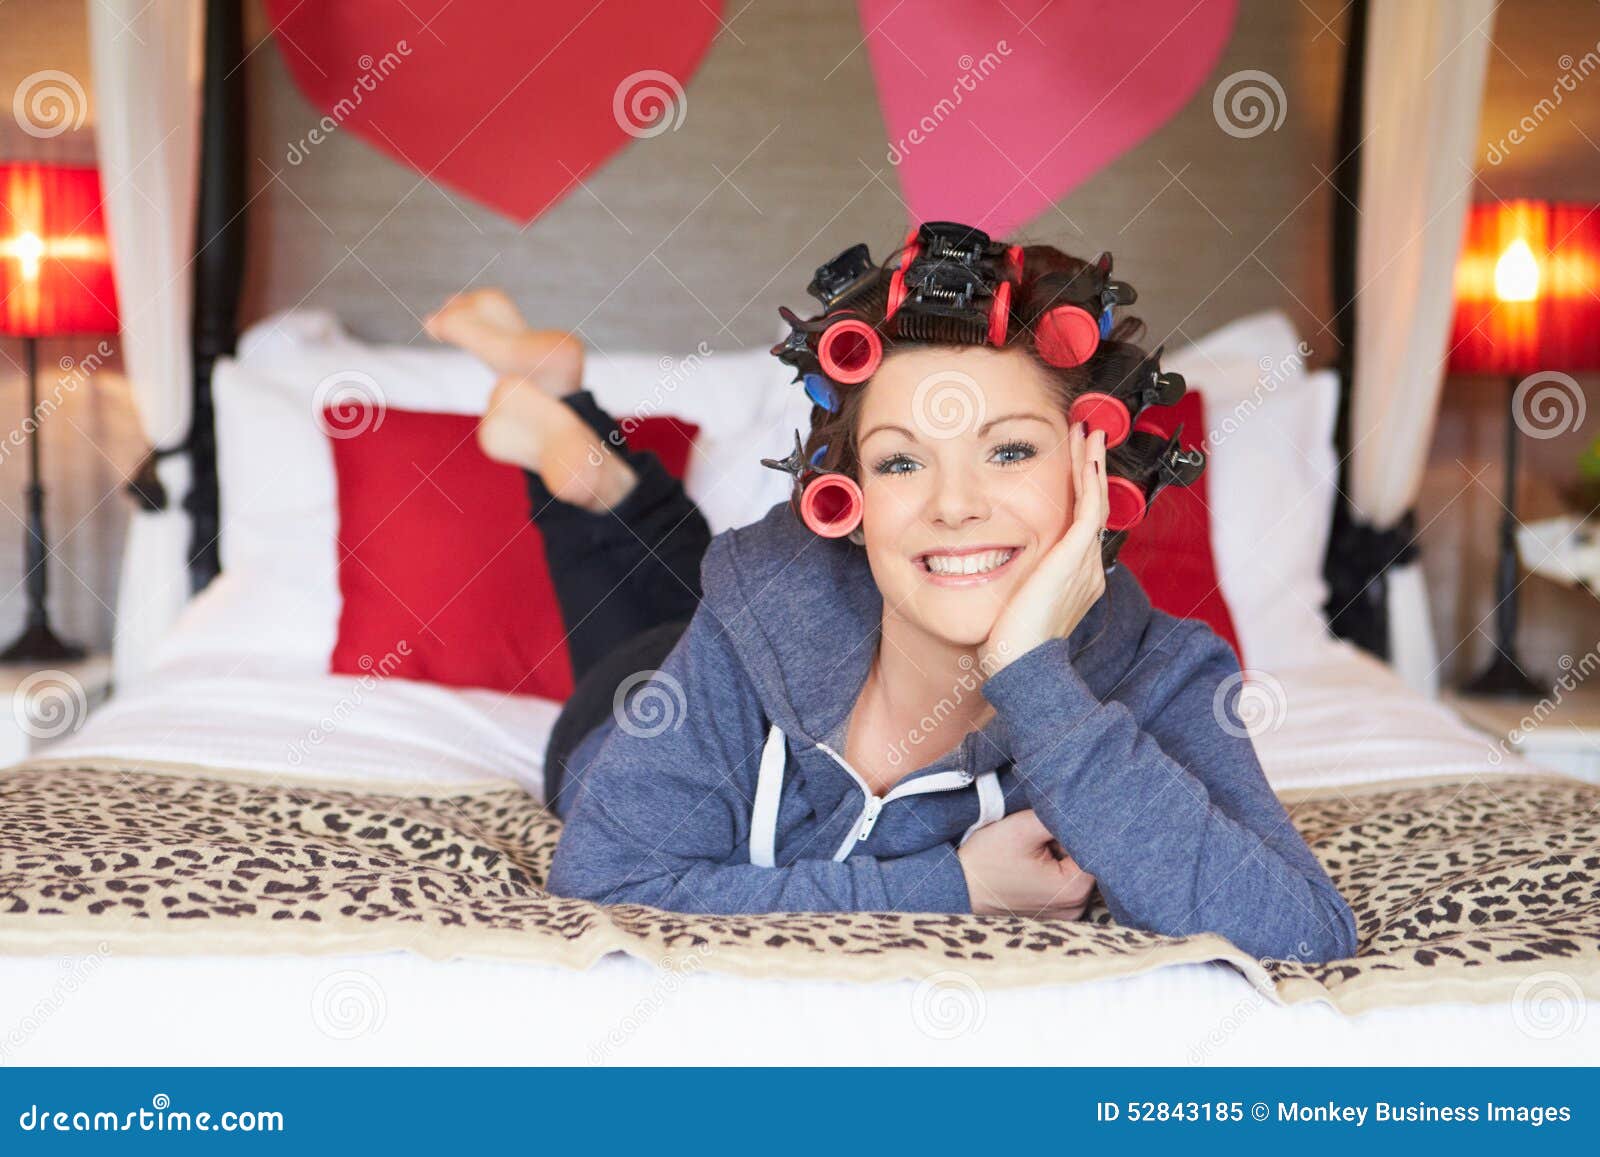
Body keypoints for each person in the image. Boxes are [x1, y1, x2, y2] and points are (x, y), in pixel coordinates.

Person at [425, 222, 1358, 964]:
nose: (955, 505)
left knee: (703, 585)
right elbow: (604, 880)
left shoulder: (1161, 674)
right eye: (904, 459)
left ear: (1089, 464)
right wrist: (954, 887)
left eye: (1009, 449)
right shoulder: (766, 595)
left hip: (763, 613)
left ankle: (565, 420)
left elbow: (1305, 934)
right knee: (685, 608)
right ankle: (571, 446)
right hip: (626, 697)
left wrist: (1037, 676)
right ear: (857, 499)